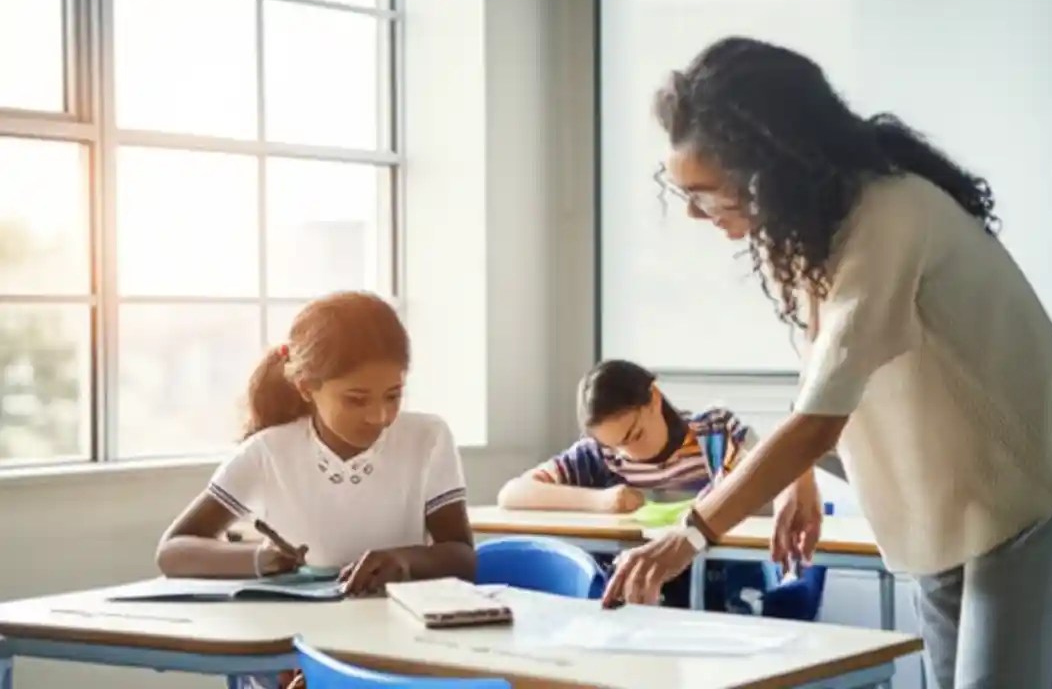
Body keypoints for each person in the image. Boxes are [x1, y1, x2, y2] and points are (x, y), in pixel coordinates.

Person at [601, 37, 1052, 689]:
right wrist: (800, 482)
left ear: (769, 167)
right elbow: (820, 368)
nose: (697, 215)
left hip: (1018, 472)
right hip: (941, 486)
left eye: (708, 195)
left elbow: (820, 419)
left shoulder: (890, 214)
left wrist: (689, 535)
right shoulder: (799, 230)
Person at [155, 291, 474, 689]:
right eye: (356, 399)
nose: (380, 416)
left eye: (394, 395)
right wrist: (258, 559)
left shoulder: (428, 438)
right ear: (307, 387)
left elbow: (462, 557)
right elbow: (173, 551)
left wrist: (405, 561)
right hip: (295, 654)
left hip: (395, 652)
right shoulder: (269, 451)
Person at [498, 358, 806, 610]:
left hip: (723, 586)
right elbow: (512, 493)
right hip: (644, 598)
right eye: (614, 445)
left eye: (634, 435)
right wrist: (602, 501)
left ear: (654, 399)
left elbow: (781, 472)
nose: (627, 453)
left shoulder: (715, 434)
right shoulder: (601, 455)